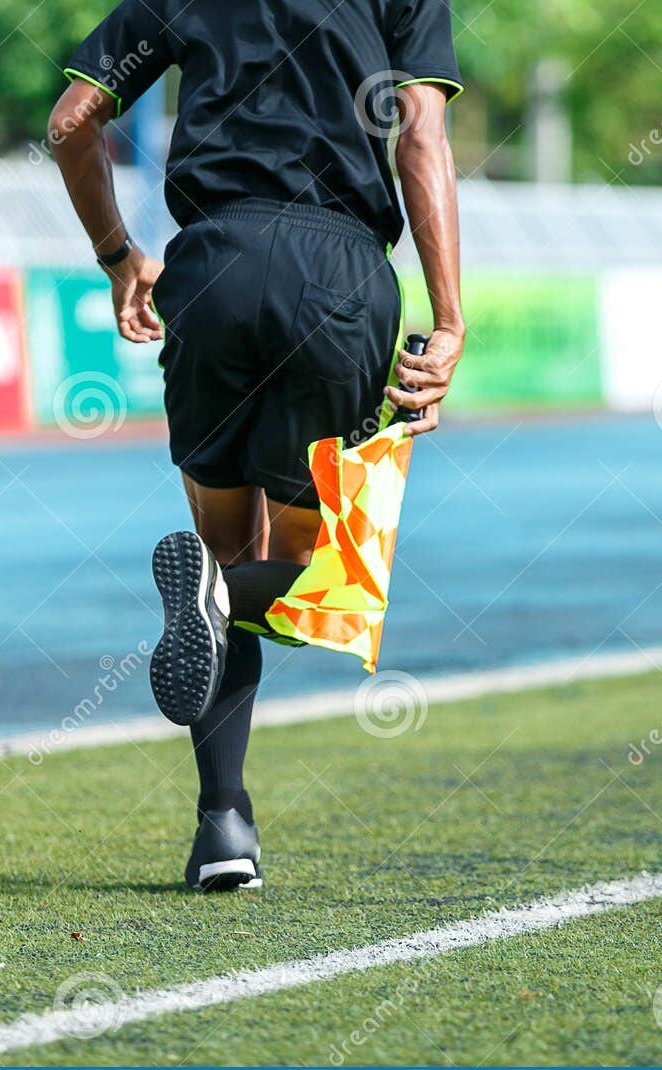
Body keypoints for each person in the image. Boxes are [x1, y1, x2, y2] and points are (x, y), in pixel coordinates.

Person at [48, 0, 465, 891]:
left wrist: (119, 256)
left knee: (222, 550)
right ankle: (221, 600)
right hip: (340, 278)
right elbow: (421, 132)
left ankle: (223, 825)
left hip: (212, 269)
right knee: (328, 580)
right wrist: (450, 316)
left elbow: (72, 121)